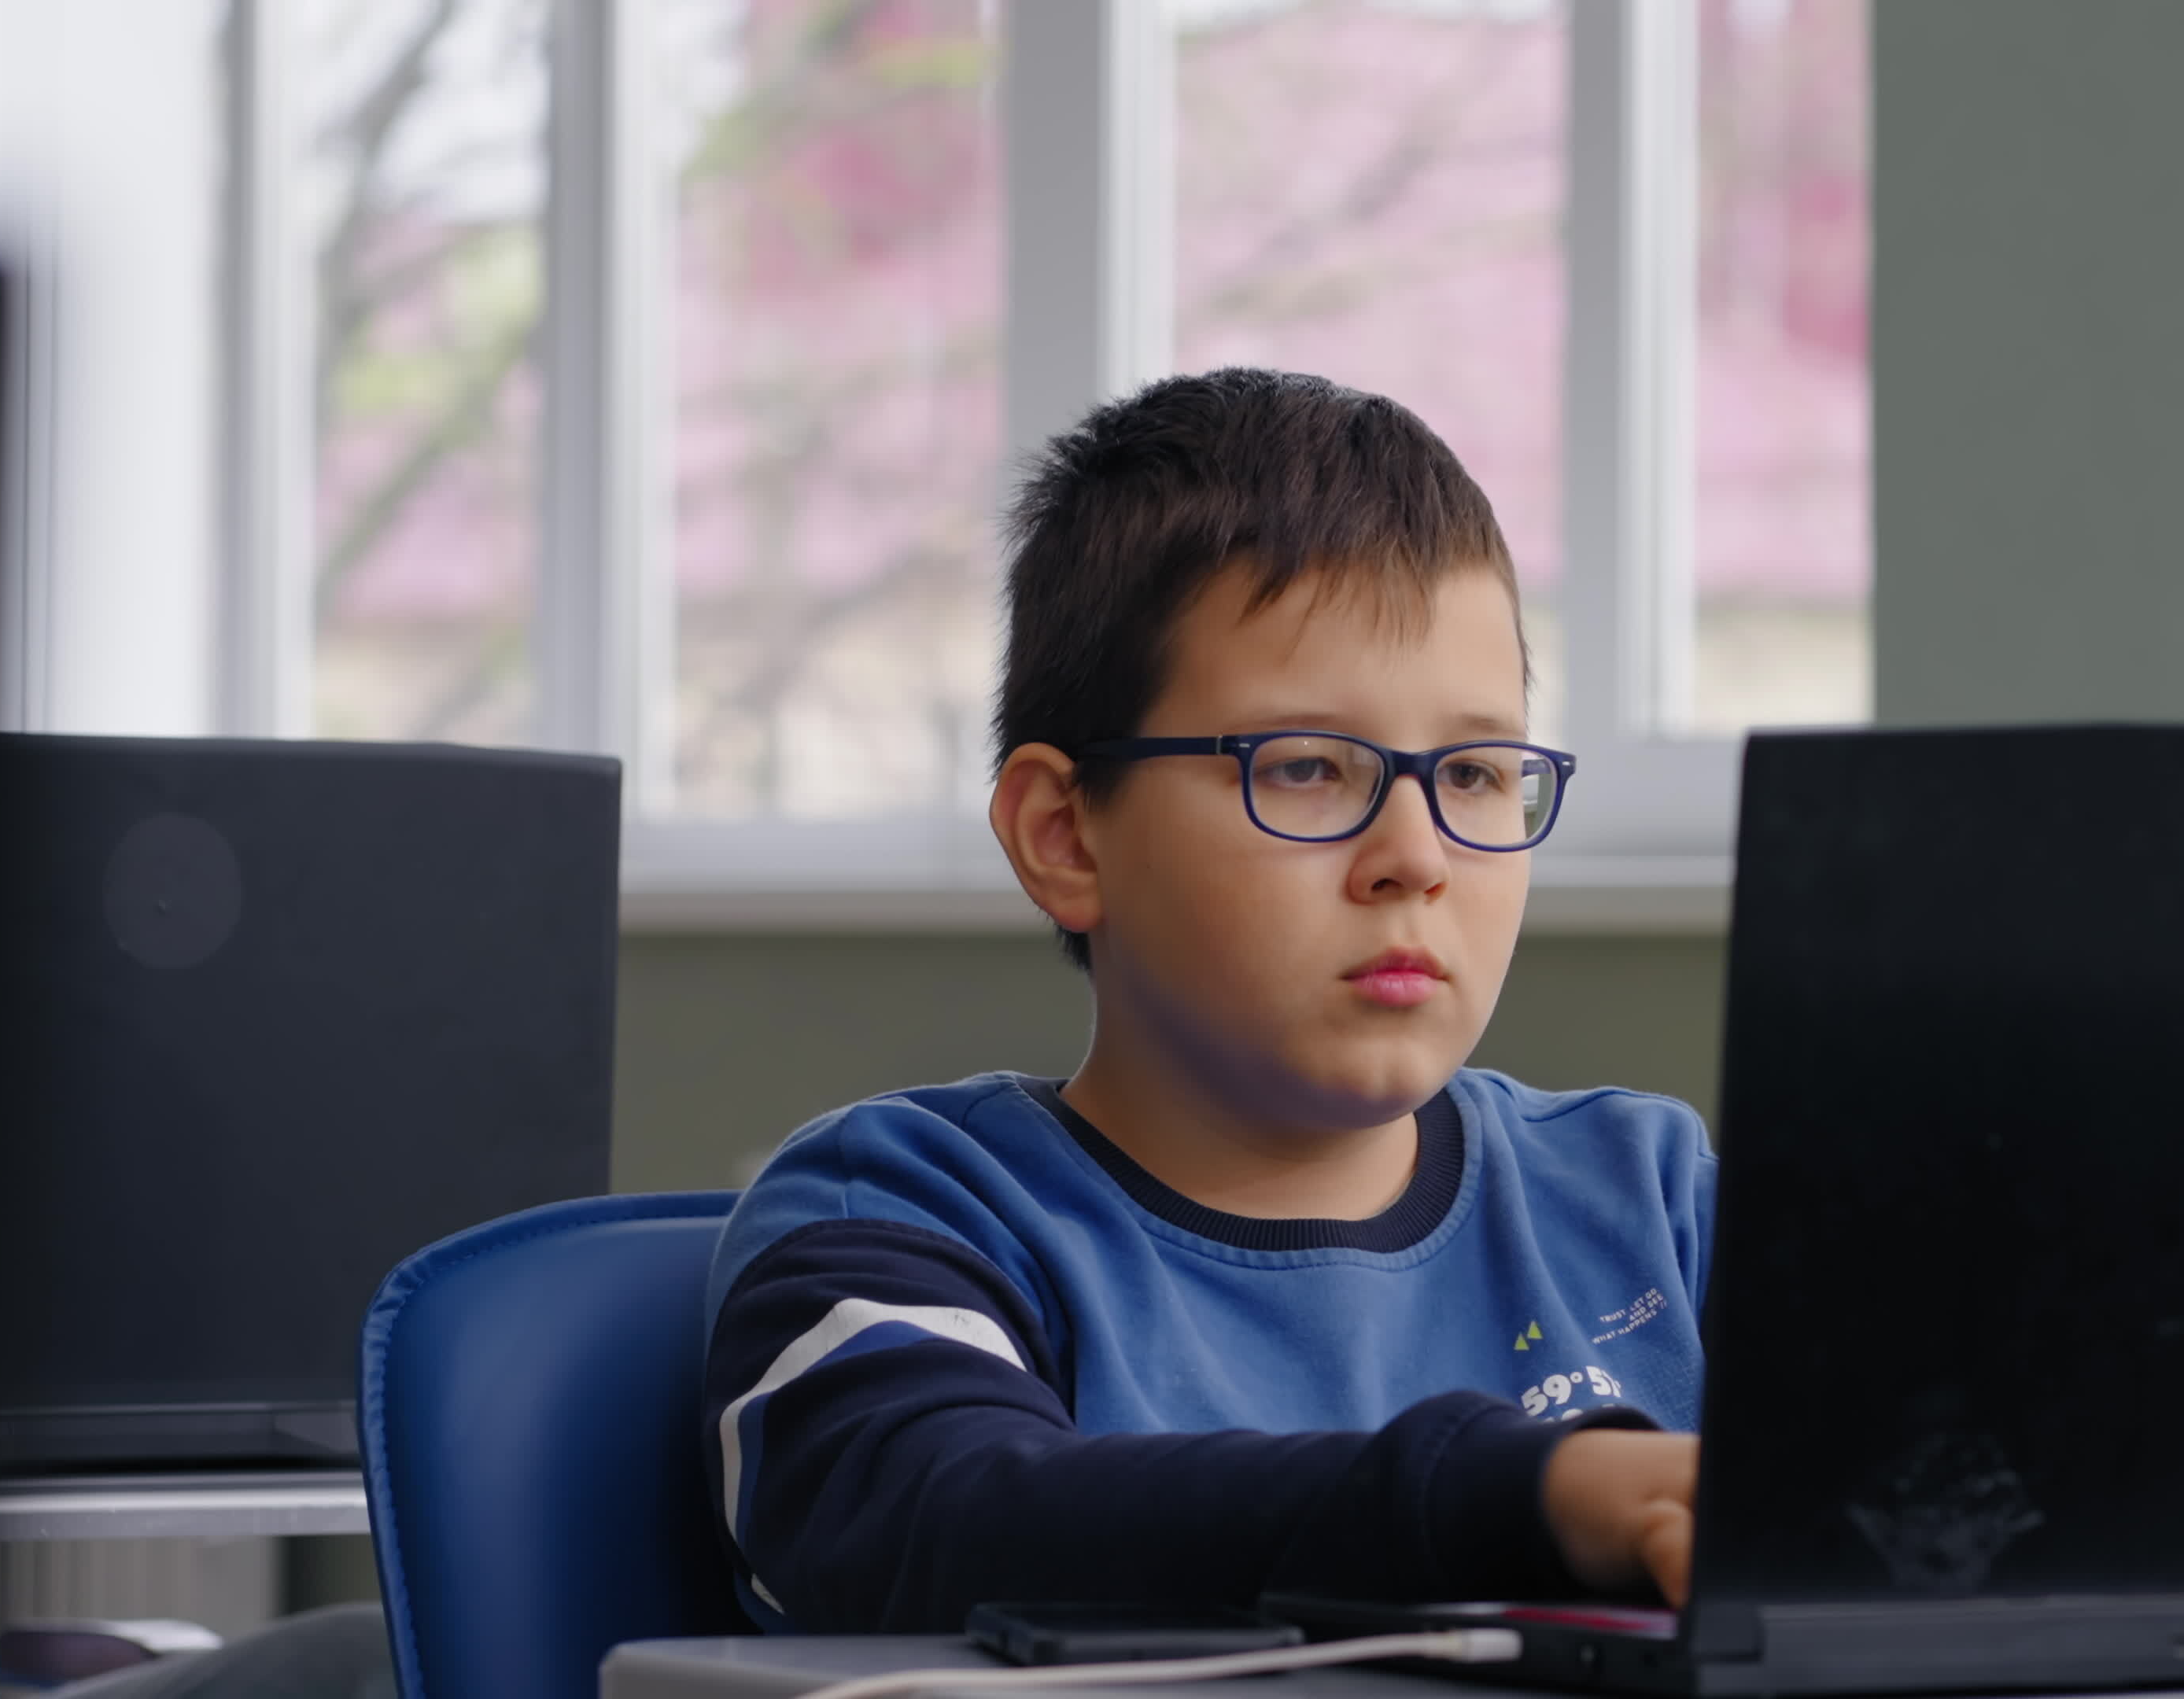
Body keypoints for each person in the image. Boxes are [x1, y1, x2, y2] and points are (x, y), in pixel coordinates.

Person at [701, 370, 1713, 1633]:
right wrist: (1535, 1496)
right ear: (1066, 835)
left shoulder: (1657, 1200)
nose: (1418, 853)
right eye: (1302, 767)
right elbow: (945, 1519)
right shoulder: (906, 1215)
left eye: (1476, 771)